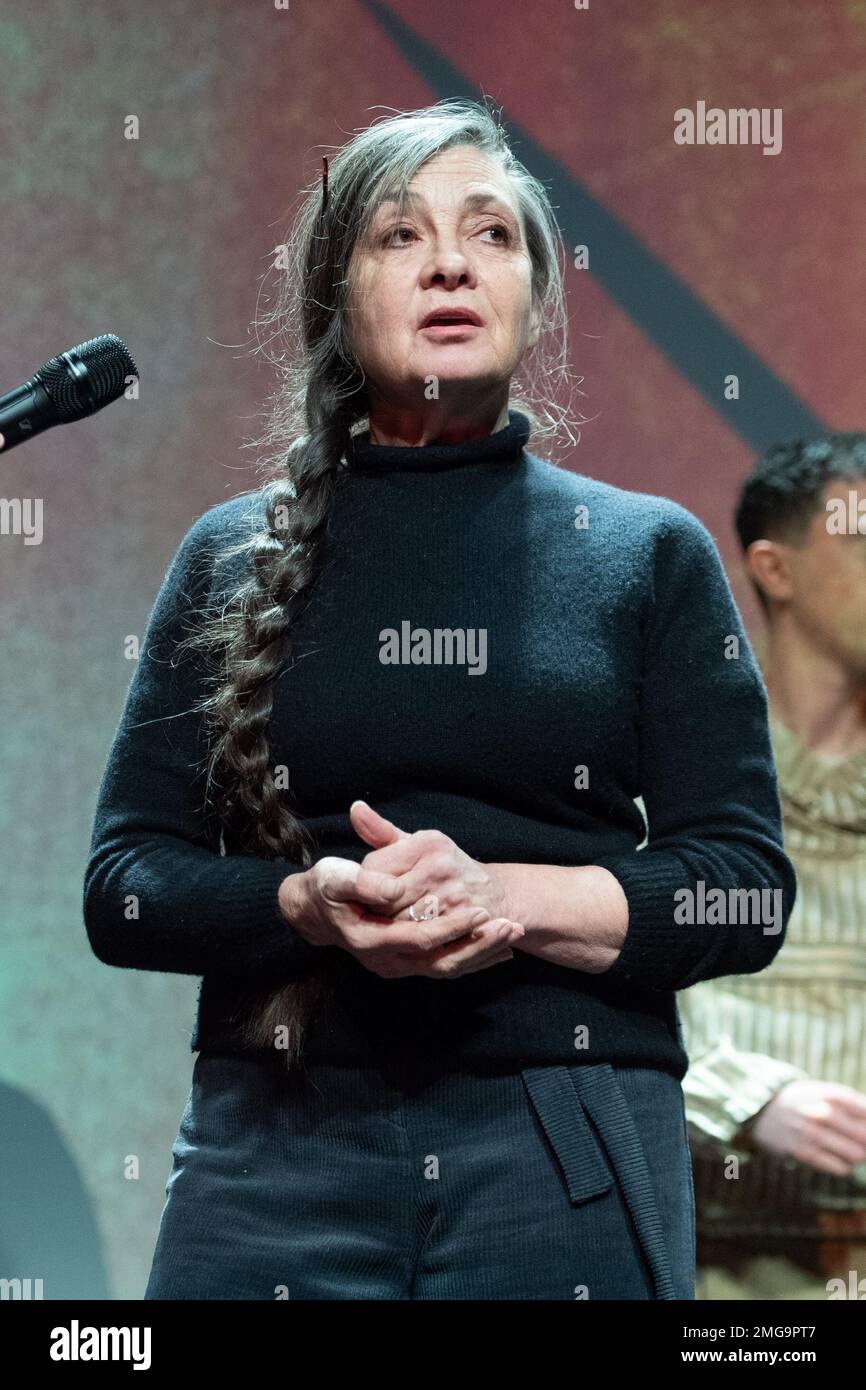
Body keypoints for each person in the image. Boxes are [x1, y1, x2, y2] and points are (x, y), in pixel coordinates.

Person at [83, 97, 796, 1301]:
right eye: (399, 236)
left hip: (563, 1140)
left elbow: (742, 887)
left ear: (531, 297)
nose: (452, 261)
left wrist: (503, 898)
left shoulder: (643, 553)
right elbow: (126, 889)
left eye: (491, 235)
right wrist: (305, 902)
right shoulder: (228, 557)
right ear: (335, 297)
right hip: (276, 1144)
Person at [679, 434, 866, 1299]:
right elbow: (577, 1003)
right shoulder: (676, 769)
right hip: (717, 1261)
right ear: (776, 569)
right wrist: (744, 1098)